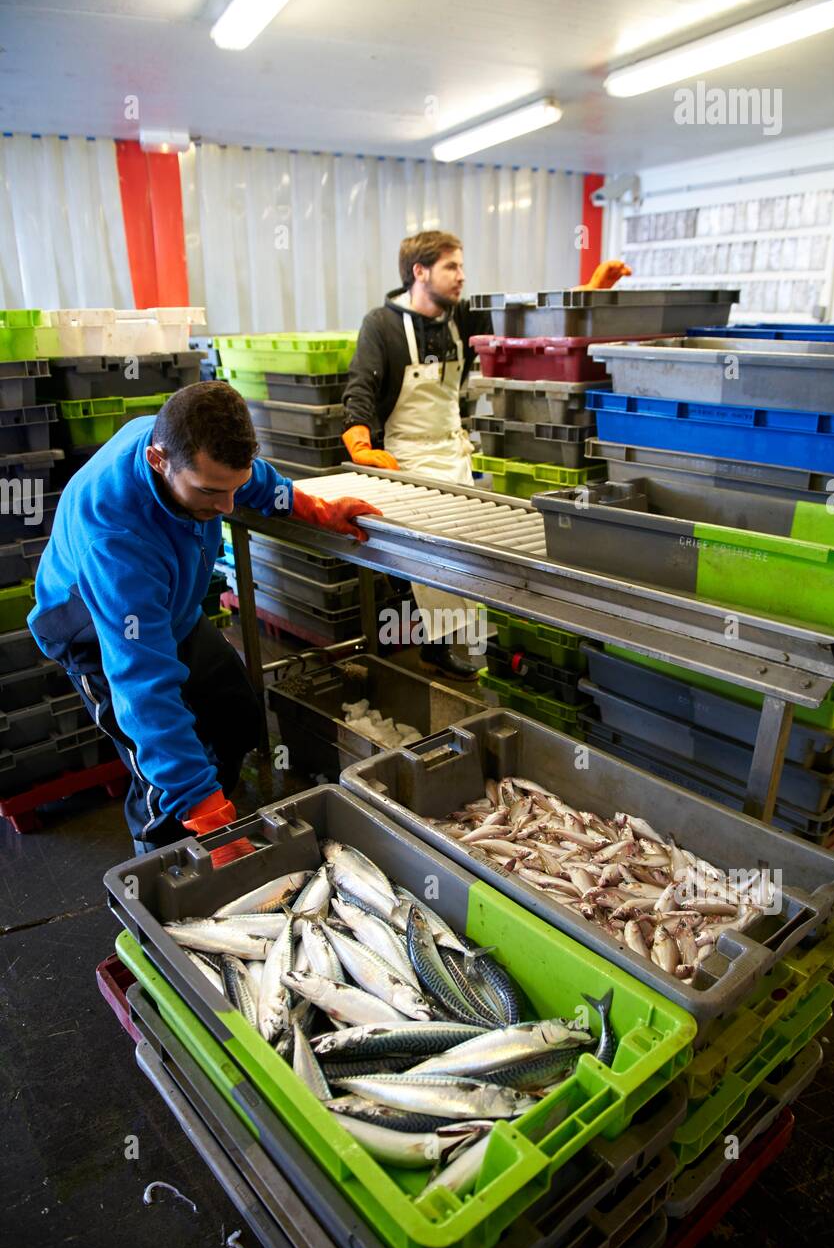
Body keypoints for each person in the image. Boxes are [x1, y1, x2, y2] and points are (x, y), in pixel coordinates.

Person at [28, 381, 379, 860]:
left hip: (170, 610)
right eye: (211, 492)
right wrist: (199, 805)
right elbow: (144, 690)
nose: (227, 508)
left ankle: (210, 810)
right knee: (155, 768)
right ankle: (165, 864)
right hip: (92, 626)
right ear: (157, 460)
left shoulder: (191, 453)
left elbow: (247, 481)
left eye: (232, 488)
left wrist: (309, 507)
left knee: (235, 716)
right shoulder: (116, 541)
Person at [341, 231, 631, 679]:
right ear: (419, 272)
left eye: (461, 266)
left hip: (455, 450)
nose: (462, 276)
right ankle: (439, 649)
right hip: (408, 458)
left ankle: (481, 647)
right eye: (451, 267)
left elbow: (530, 326)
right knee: (430, 556)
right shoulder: (380, 324)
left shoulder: (465, 317)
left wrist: (589, 293)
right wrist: (361, 444)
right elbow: (360, 387)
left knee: (470, 548)